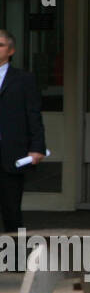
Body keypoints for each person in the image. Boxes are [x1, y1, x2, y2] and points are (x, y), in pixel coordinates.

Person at [0, 28, 47, 231]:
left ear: (11, 50)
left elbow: (33, 115)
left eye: (0, 45)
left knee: (11, 211)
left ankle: (14, 260)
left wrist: (37, 147)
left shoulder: (23, 79)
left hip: (10, 153)